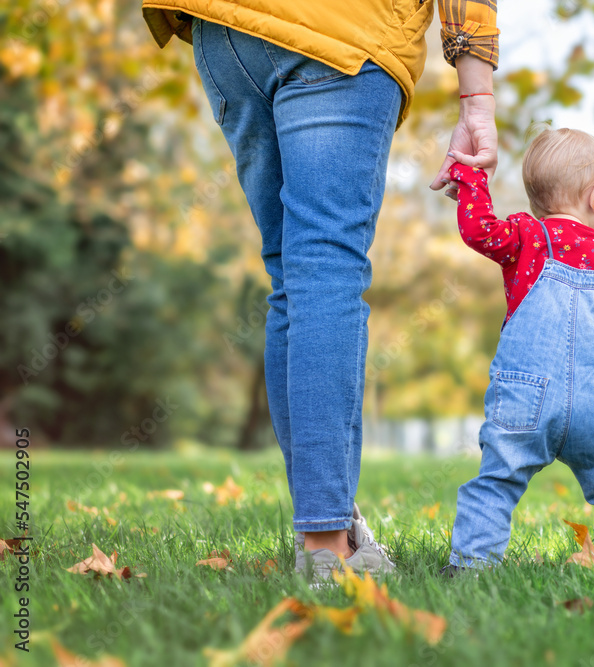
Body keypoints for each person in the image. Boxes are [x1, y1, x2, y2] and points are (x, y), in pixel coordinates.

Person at [139, 0, 500, 583]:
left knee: (292, 276)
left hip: (222, 33)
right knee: (325, 270)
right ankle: (327, 549)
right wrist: (477, 95)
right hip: (340, 34)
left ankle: (334, 522)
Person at [443, 128, 594, 570]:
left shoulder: (527, 238)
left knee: (496, 481)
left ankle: (471, 564)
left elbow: (478, 230)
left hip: (527, 398)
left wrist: (470, 179)